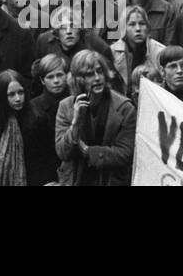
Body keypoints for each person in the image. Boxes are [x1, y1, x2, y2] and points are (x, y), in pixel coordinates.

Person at [54, 49, 136, 186]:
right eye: (90, 74)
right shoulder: (66, 106)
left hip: (110, 180)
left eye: (100, 71)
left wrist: (89, 152)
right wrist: (75, 122)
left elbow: (125, 153)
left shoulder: (125, 107)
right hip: (76, 179)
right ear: (78, 80)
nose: (97, 78)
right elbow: (63, 152)